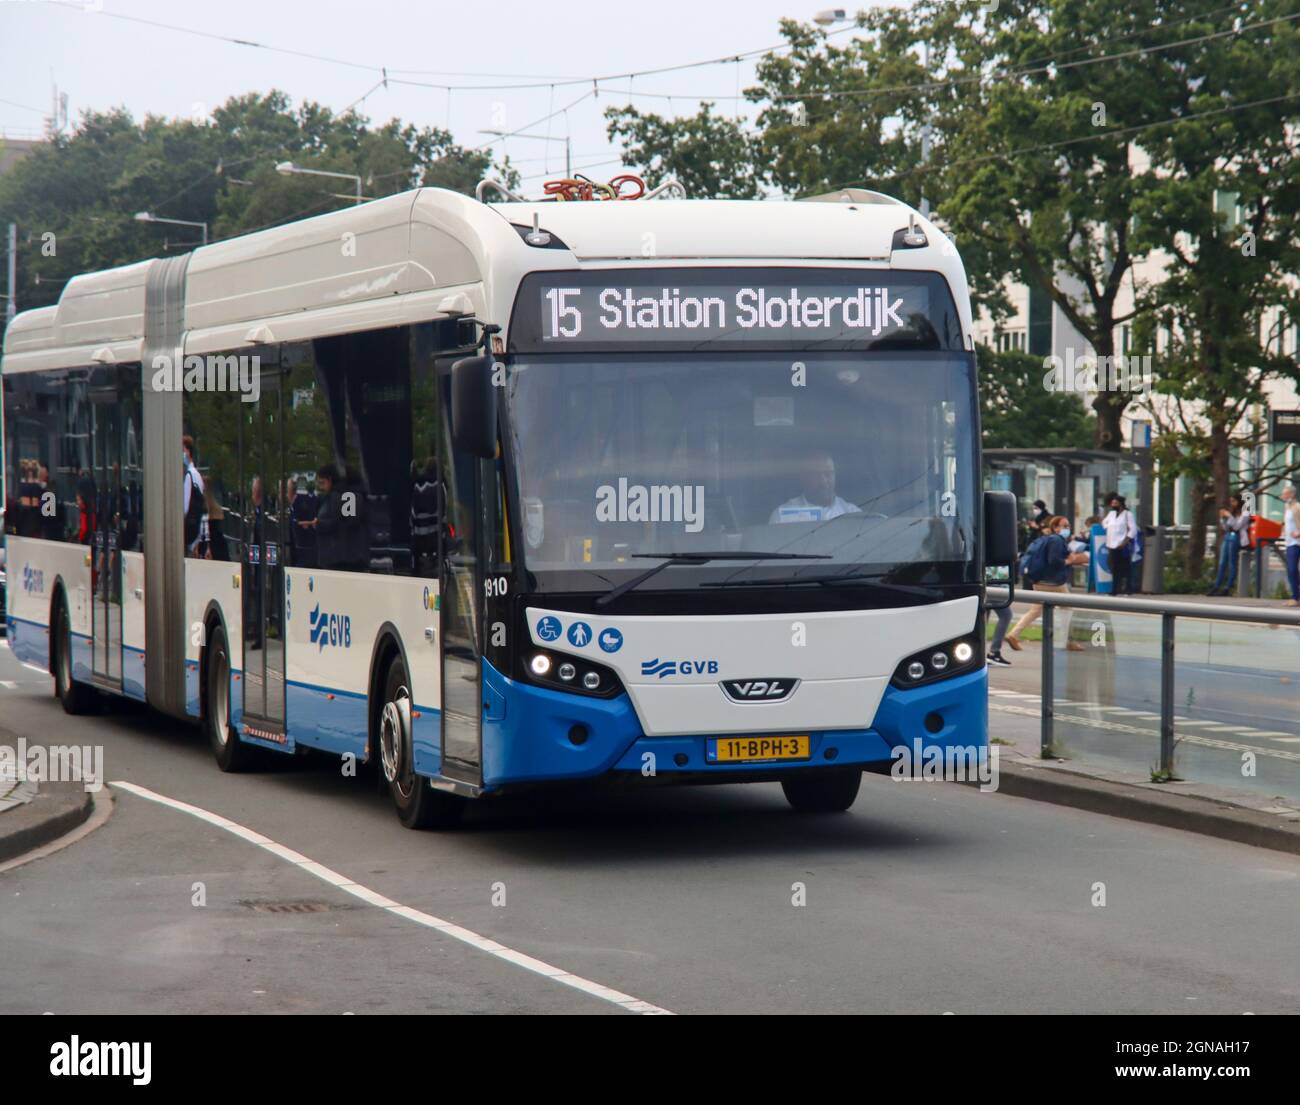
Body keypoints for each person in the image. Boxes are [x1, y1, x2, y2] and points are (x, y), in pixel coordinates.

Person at [1005, 515, 1088, 652]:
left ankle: (1014, 634)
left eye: (1068, 526)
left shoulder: (1047, 539)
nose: (1067, 528)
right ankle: (1067, 640)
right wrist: (1069, 561)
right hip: (1054, 582)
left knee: (1036, 610)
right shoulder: (1056, 540)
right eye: (1064, 525)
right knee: (1068, 610)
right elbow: (1054, 561)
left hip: (1040, 581)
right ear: (1055, 528)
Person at [769, 449, 860, 523]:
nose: (823, 481)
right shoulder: (781, 517)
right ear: (803, 477)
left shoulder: (853, 515)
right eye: (816, 475)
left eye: (828, 474)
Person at [1209, 493, 1252, 596]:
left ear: (1239, 501)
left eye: (1234, 501)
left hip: (1236, 537)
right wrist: (1222, 519)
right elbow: (1226, 527)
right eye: (1231, 501)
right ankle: (1217, 585)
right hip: (1228, 536)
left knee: (1232, 563)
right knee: (1222, 562)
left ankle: (1228, 586)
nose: (1232, 504)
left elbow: (1237, 526)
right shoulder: (1232, 512)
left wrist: (1229, 516)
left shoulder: (1245, 513)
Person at [1101, 493, 1138, 595]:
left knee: (1126, 567)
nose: (1113, 505)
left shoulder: (1127, 514)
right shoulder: (1111, 514)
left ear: (1121, 504)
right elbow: (1104, 522)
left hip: (1122, 545)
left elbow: (1133, 529)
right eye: (1112, 503)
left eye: (1115, 503)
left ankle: (1128, 588)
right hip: (1111, 544)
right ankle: (1115, 589)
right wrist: (1109, 526)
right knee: (1114, 567)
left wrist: (1126, 541)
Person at [182, 435, 206, 556]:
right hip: (196, 528)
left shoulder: (189, 476)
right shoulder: (197, 475)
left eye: (182, 450)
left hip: (187, 530)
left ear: (187, 451)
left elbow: (185, 507)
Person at [1280, 485, 1299, 607]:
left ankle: (1295, 597)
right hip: (1290, 543)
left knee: (1293, 570)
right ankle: (1295, 596)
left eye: (1285, 494)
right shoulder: (1287, 507)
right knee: (1291, 570)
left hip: (1297, 542)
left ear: (1292, 495)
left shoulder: (1298, 507)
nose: (1283, 496)